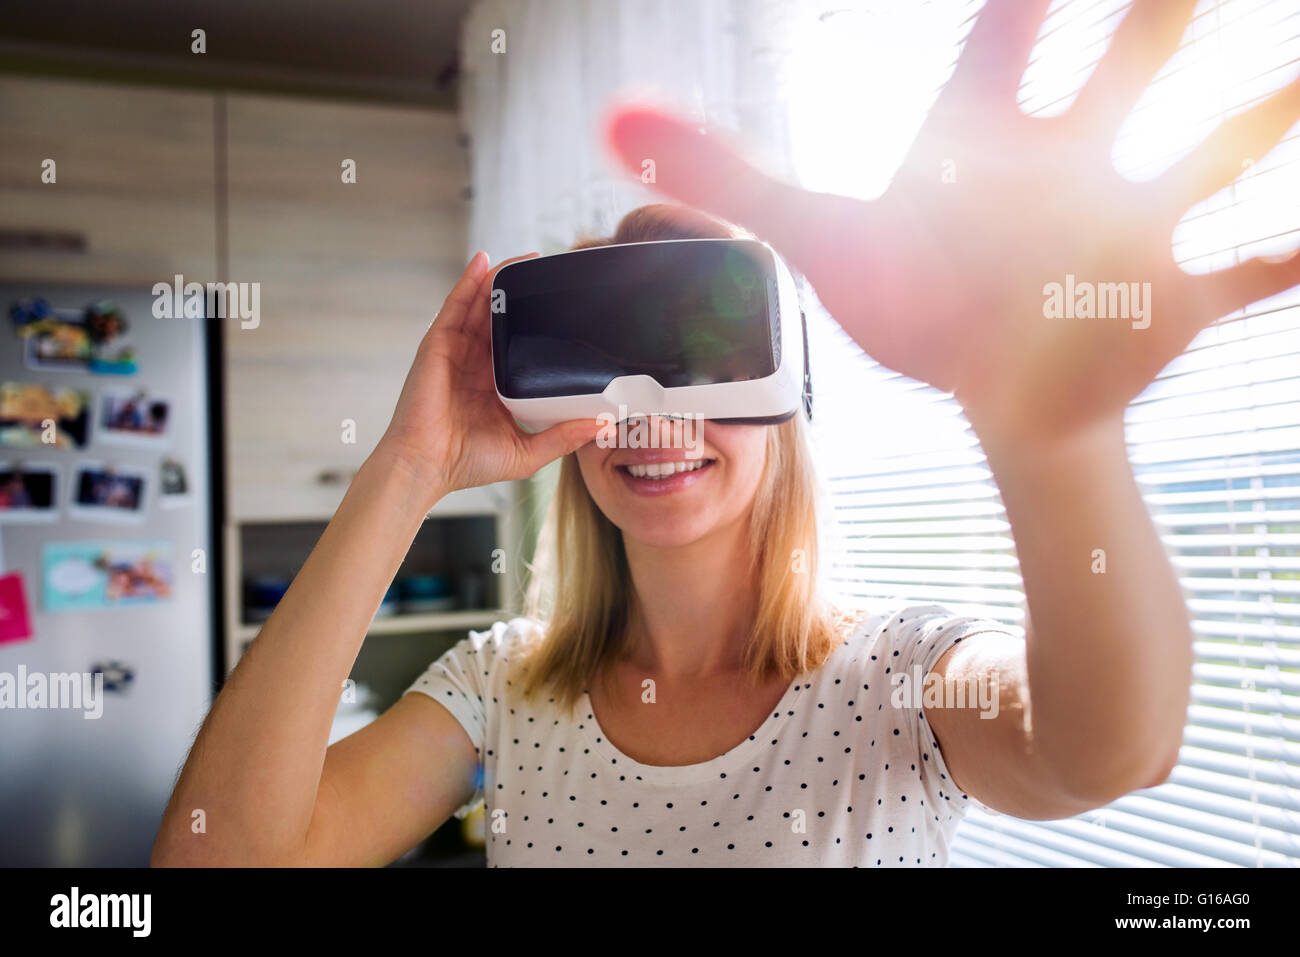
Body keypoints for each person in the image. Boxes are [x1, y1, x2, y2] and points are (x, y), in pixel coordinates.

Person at [151, 0, 1299, 867]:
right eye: (611, 362)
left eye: (701, 355)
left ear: (786, 401)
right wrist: (406, 471)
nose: (653, 412)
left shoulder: (898, 672)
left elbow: (1107, 752)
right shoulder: (499, 686)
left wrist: (1044, 433)